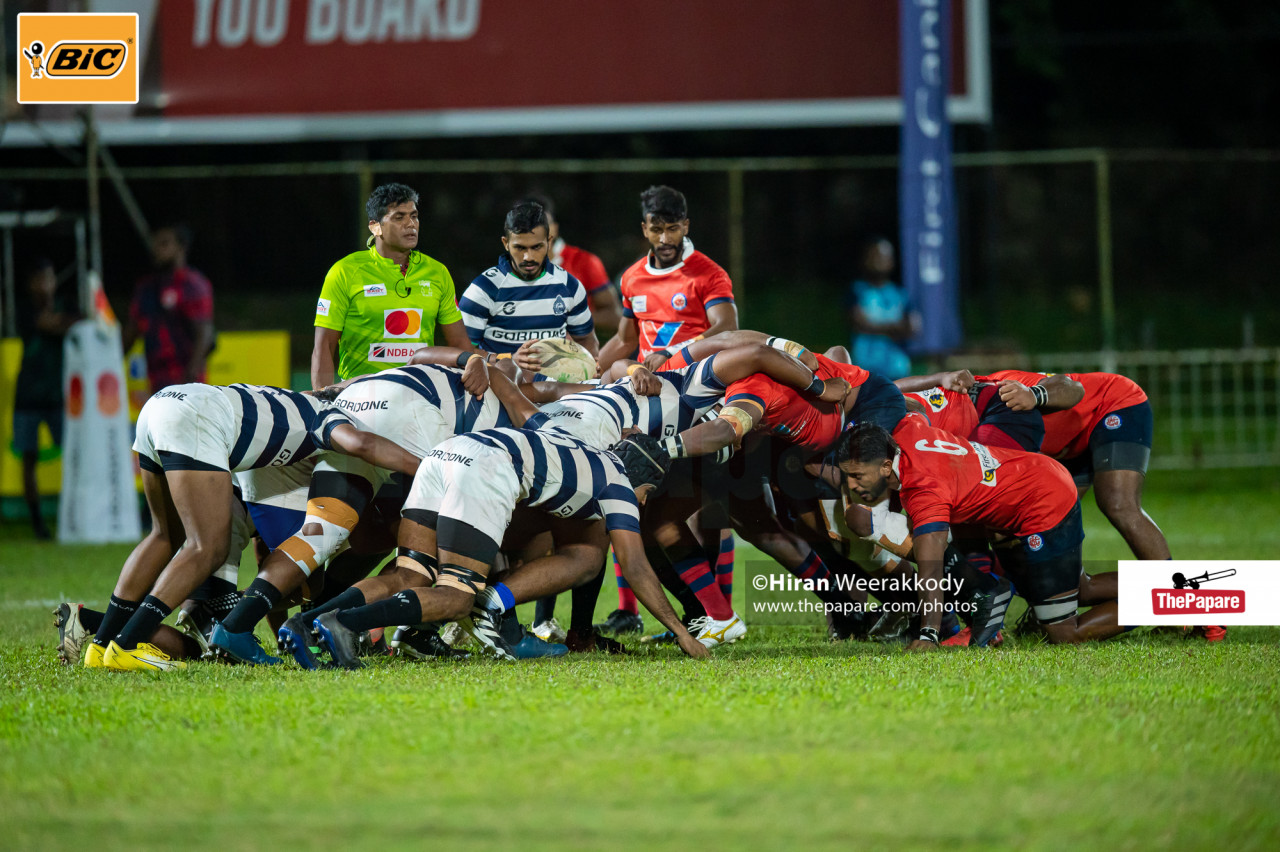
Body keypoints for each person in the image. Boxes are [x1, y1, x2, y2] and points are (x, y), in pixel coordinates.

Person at [87, 382, 420, 672]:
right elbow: (360, 443)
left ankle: (101, 644)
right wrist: (428, 466)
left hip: (161, 405)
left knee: (164, 535)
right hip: (195, 418)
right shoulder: (327, 414)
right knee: (207, 547)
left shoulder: (291, 401)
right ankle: (128, 645)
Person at [835, 419, 1124, 648]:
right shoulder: (906, 429)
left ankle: (1153, 601)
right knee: (1079, 588)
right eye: (847, 475)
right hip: (1034, 476)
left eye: (857, 476)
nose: (852, 485)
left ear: (886, 467)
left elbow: (931, 568)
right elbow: (912, 408)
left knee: (1063, 632)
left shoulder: (924, 491)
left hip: (1044, 501)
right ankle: (1157, 585)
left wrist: (928, 634)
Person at [312, 183, 477, 388]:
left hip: (422, 389)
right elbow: (324, 346)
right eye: (399, 217)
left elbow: (460, 343)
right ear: (375, 226)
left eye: (414, 216)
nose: (411, 224)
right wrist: (321, 398)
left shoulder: (437, 272)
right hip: (361, 393)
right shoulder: (344, 271)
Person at [459, 200, 599, 365]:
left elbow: (586, 340)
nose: (528, 257)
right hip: (499, 377)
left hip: (553, 378)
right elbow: (462, 351)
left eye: (536, 247)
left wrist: (589, 366)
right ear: (505, 243)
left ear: (549, 242)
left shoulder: (569, 286)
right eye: (520, 248)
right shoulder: (483, 289)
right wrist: (509, 360)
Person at [13, 258, 80, 539]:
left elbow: (80, 323)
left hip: (58, 398)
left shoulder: (67, 304)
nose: (45, 285)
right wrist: (63, 323)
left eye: (50, 278)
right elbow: (48, 325)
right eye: (40, 280)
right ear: (31, 284)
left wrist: (63, 322)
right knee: (29, 459)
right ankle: (38, 523)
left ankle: (74, 515)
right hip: (27, 397)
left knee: (73, 456)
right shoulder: (23, 309)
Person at [123, 224, 214, 394]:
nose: (156, 249)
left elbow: (204, 333)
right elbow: (132, 331)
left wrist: (191, 374)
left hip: (188, 383)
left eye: (164, 243)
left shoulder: (192, 284)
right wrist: (109, 359)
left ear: (181, 248)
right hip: (156, 381)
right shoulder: (146, 288)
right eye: (155, 244)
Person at [528, 193, 623, 339]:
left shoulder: (584, 262)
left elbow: (615, 316)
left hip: (575, 350)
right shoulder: (508, 270)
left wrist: (569, 320)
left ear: (555, 228)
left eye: (543, 224)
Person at [847, 237, 918, 380]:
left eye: (883, 257)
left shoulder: (901, 293)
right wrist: (894, 328)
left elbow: (913, 327)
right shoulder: (857, 290)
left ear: (892, 261)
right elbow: (858, 322)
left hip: (898, 367)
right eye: (873, 256)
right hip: (865, 370)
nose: (878, 261)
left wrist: (876, 327)